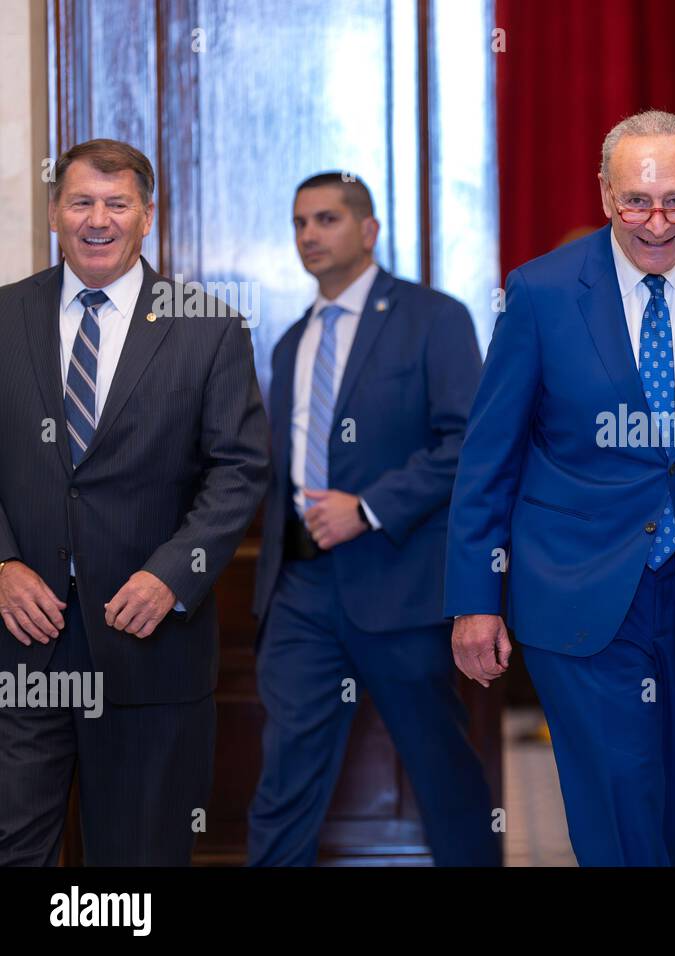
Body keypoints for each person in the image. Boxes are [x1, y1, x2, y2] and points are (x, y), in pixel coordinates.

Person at [445, 110, 675, 866]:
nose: (657, 223)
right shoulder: (543, 292)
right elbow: (490, 459)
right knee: (620, 787)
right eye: (636, 201)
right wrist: (475, 599)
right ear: (605, 193)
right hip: (577, 588)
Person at [0, 138, 269, 865]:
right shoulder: (6, 315)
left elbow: (240, 470)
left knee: (138, 863)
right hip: (23, 643)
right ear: (55, 213)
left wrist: (172, 574)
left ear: (147, 217)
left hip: (151, 642)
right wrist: (2, 564)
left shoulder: (207, 325)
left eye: (117, 204)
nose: (99, 219)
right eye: (82, 202)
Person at [248, 173, 497, 866]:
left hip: (399, 585)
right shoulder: (292, 342)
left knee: (441, 770)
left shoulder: (432, 317)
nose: (308, 235)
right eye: (299, 222)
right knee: (285, 777)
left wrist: (369, 507)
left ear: (368, 230)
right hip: (299, 590)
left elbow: (466, 444)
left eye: (326, 219)